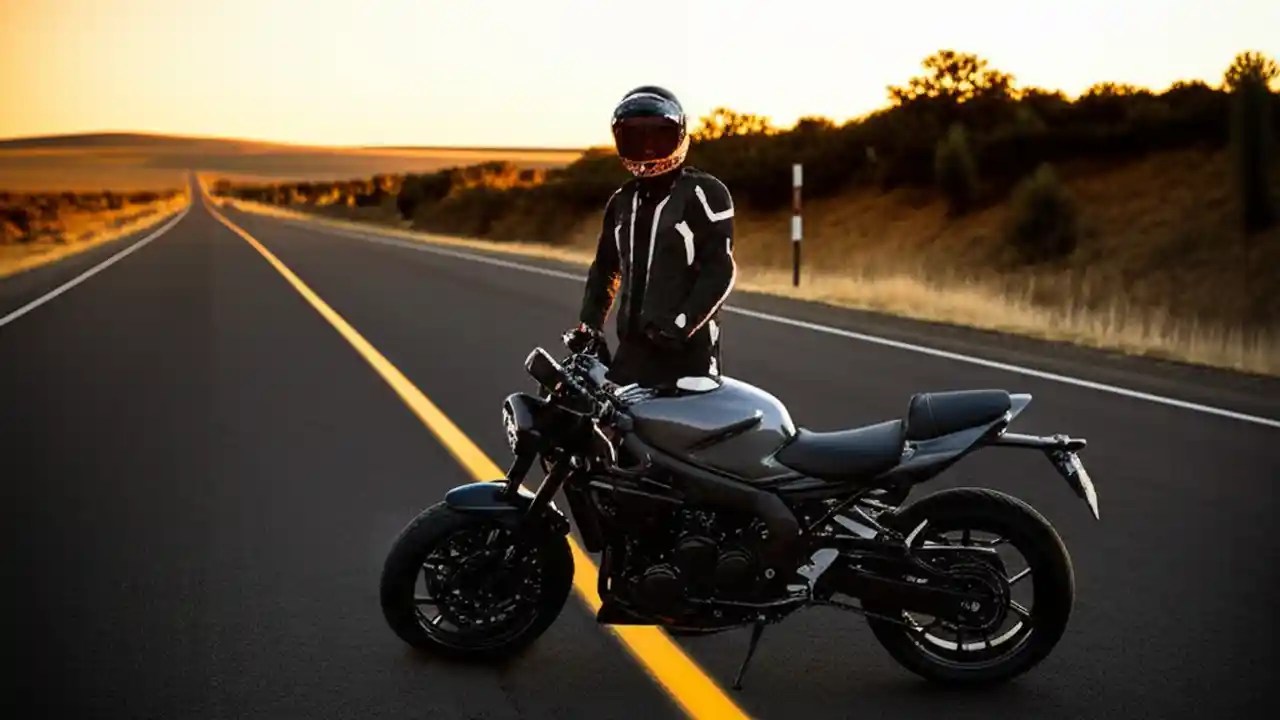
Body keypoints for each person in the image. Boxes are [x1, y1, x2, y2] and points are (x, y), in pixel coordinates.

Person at [566, 86, 737, 390]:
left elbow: (720, 269)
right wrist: (590, 326)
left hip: (689, 362)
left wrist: (680, 324)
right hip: (630, 357)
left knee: (672, 421)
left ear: (679, 135)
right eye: (634, 137)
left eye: (659, 136)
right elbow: (605, 270)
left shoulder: (705, 193)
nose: (647, 149)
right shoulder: (621, 201)